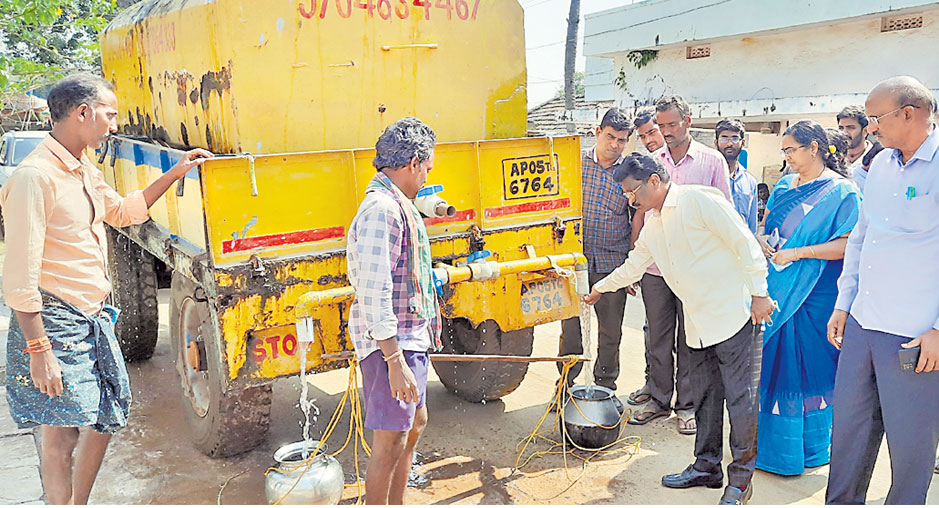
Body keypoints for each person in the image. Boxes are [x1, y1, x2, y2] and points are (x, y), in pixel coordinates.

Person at [1, 74, 212, 504]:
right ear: (83, 113)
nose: (114, 125)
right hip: (55, 322)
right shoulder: (34, 177)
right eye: (110, 115)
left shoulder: (84, 169)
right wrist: (38, 352)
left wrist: (177, 170)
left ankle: (75, 502)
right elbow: (19, 276)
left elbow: (122, 212)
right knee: (61, 434)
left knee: (106, 418)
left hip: (93, 316)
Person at [584, 153, 773, 505]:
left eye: (632, 192)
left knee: (741, 401)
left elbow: (744, 243)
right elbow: (634, 265)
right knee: (705, 398)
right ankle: (706, 467)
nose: (630, 200)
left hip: (733, 317)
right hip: (698, 324)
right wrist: (600, 288)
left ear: (655, 181)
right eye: (626, 194)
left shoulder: (698, 200)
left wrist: (760, 294)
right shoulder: (653, 223)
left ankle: (741, 483)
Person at [826, 76, 939, 505]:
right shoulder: (880, 166)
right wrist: (844, 303)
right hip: (862, 324)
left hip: (914, 336)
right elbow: (861, 238)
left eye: (876, 118)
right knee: (849, 435)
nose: (870, 128)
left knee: (911, 448)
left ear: (909, 114)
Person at [755, 121, 861, 476]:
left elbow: (849, 245)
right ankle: (772, 451)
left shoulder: (842, 192)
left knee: (810, 366)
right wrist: (762, 241)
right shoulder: (785, 184)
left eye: (790, 150)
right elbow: (768, 225)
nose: (785, 157)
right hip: (777, 287)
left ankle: (812, 449)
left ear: (813, 148)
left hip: (816, 292)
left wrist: (798, 253)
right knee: (774, 363)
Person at [346, 117, 442, 505]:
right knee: (390, 440)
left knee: (414, 424)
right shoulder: (381, 210)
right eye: (428, 169)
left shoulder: (399, 204)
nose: (427, 178)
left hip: (408, 337)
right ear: (413, 163)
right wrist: (393, 358)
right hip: (393, 343)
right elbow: (374, 288)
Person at [625, 95, 732, 435]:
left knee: (691, 339)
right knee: (658, 336)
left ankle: (687, 406)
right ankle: (658, 399)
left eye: (672, 124)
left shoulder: (712, 161)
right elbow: (640, 212)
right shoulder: (651, 161)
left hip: (695, 269)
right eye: (662, 126)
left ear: (688, 120)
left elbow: (724, 214)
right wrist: (635, 261)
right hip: (657, 268)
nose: (667, 131)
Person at [557, 108, 633, 407]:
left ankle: (606, 388)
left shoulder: (629, 171)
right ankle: (564, 387)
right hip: (575, 263)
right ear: (598, 132)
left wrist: (632, 269)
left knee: (610, 331)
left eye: (622, 140)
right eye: (611, 136)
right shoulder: (574, 163)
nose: (615, 144)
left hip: (613, 263)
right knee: (571, 331)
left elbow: (636, 217)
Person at [716, 119, 759, 232]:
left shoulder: (750, 181)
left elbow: (751, 224)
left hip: (740, 247)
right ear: (716, 143)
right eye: (724, 138)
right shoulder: (707, 176)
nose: (729, 143)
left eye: (735, 138)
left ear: (743, 143)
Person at [837, 105, 882, 193]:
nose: (844, 133)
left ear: (865, 131)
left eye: (850, 128)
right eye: (841, 128)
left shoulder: (879, 158)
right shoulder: (834, 159)